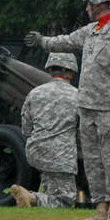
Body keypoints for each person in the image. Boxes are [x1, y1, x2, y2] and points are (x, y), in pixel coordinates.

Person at [26, 0, 110, 220]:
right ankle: (101, 210)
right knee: (93, 162)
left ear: (101, 3)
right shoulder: (91, 31)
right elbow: (65, 41)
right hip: (88, 109)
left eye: (89, 4)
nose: (87, 9)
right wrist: (42, 41)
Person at [10, 53, 79, 209]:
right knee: (65, 200)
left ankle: (35, 196)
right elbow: (84, 130)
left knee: (52, 185)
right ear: (70, 72)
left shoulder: (35, 93)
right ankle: (33, 198)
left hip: (36, 151)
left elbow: (26, 129)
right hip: (62, 155)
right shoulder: (77, 95)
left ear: (49, 71)